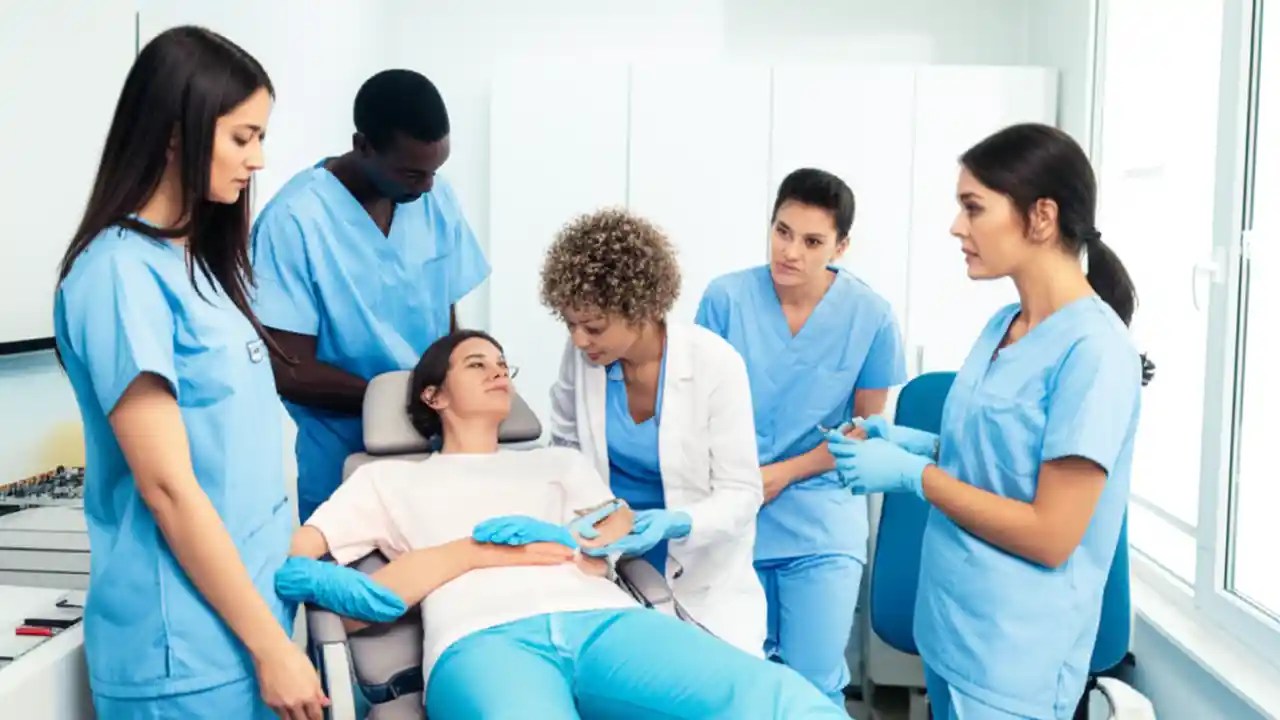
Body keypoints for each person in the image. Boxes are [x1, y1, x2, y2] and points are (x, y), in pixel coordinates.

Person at [282, 330, 847, 719]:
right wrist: (330, 584)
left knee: (778, 699)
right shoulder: (387, 480)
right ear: (434, 396)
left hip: (605, 621)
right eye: (476, 365)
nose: (498, 372)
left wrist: (573, 538)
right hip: (483, 640)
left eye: (503, 364)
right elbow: (301, 551)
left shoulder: (558, 463)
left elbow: (611, 532)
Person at [826, 123, 1152, 720]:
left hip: (1016, 662)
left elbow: (1050, 534)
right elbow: (997, 456)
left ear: (1041, 217)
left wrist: (912, 477)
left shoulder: (1095, 352)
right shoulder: (1004, 323)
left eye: (973, 208)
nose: (957, 226)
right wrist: (909, 442)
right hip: (951, 634)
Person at [53, 26, 326, 720]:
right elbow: (168, 486)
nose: (258, 160)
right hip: (182, 653)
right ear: (177, 131)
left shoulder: (194, 268)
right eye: (243, 137)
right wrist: (271, 648)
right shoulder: (118, 273)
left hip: (241, 627)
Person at [693, 168, 905, 705]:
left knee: (812, 682)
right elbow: (695, 410)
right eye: (782, 231)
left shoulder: (871, 316)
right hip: (734, 510)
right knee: (740, 679)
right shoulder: (726, 299)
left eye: (812, 242)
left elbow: (864, 430)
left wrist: (784, 473)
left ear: (841, 246)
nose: (790, 251)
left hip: (821, 517)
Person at [249, 68, 489, 522]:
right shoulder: (295, 221)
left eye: (436, 170)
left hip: (434, 444)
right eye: (413, 172)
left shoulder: (435, 199)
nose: (428, 186)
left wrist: (459, 380)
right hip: (342, 456)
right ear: (363, 146)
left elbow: (446, 320)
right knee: (350, 584)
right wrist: (404, 399)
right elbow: (288, 369)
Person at [540, 208, 769, 656]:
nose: (579, 340)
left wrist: (677, 522)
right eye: (569, 324)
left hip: (703, 575)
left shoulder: (714, 364)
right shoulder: (584, 361)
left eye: (593, 327)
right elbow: (565, 452)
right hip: (609, 563)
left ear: (639, 309)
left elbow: (742, 493)